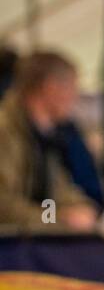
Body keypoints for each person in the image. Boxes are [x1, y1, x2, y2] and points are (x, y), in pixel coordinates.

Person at [0, 51, 98, 232]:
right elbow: (4, 203)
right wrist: (56, 220)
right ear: (51, 87)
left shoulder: (45, 135)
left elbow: (58, 187)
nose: (75, 97)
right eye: (72, 87)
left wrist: (80, 206)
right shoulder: (6, 132)